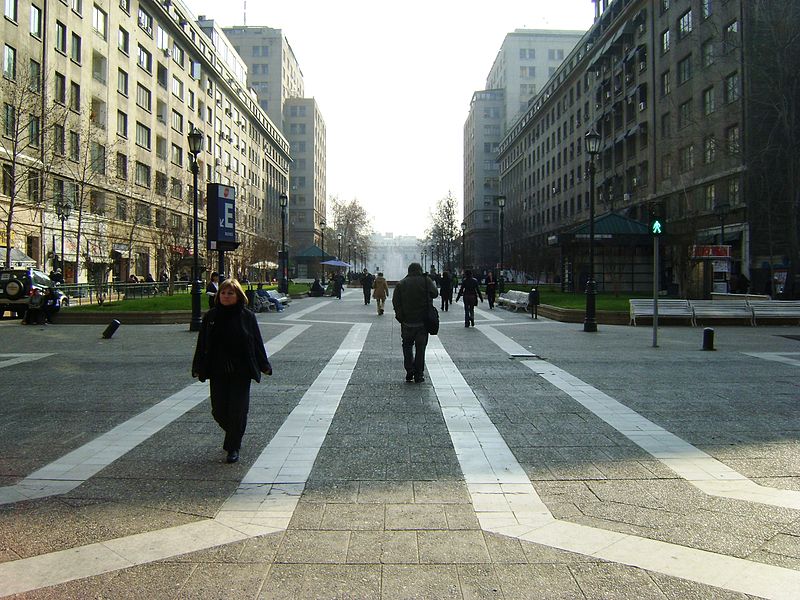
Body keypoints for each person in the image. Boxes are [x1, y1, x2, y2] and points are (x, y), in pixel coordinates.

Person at [192, 278, 272, 464]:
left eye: (230, 293)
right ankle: (235, 433)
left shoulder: (247, 316)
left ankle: (233, 446)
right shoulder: (211, 317)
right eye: (223, 293)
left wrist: (264, 364)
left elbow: (256, 342)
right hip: (217, 369)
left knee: (237, 410)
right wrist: (197, 366)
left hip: (241, 370)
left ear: (238, 296)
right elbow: (202, 343)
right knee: (218, 411)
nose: (226, 296)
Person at [392, 262, 438, 383]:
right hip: (423, 322)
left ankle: (409, 370)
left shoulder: (401, 283)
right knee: (420, 348)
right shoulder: (425, 280)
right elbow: (435, 293)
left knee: (407, 346)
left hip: (407, 322)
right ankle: (419, 374)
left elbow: (396, 302)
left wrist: (400, 317)